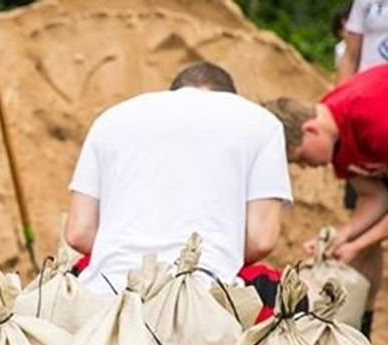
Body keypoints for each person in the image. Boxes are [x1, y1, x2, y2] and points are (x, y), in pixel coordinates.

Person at [65, 62, 292, 296]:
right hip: (204, 295)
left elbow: (79, 233)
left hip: (108, 292)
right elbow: (260, 240)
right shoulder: (262, 124)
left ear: (173, 92)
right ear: (230, 97)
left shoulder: (110, 119)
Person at [264, 61, 388, 337]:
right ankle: (361, 333)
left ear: (310, 130)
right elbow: (374, 196)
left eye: (299, 158)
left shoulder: (375, 121)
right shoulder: (336, 131)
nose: (304, 167)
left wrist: (359, 244)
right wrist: (340, 237)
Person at [333, 0, 388, 334]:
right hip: (366, 117)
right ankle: (359, 319)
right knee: (367, 215)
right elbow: (350, 55)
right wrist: (342, 103)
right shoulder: (364, 2)